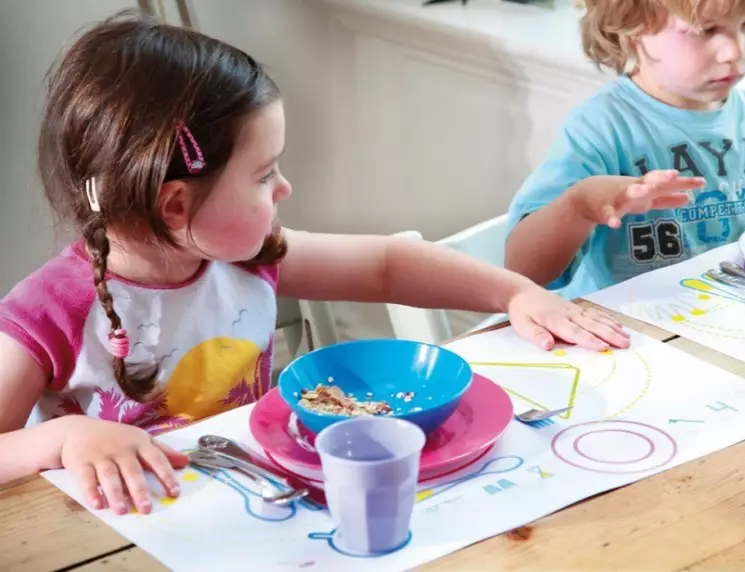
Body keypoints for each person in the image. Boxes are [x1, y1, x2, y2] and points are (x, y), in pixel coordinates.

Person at [0, 11, 629, 515]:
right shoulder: (49, 311)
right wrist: (63, 439)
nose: (284, 189)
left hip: (256, 501)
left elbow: (387, 265)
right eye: (265, 173)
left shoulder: (248, 259)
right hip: (131, 529)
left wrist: (516, 294)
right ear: (174, 205)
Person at [505, 0, 745, 301]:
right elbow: (523, 273)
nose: (734, 52)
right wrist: (577, 207)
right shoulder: (601, 129)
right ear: (633, 29)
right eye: (704, 30)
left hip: (736, 324)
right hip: (630, 334)